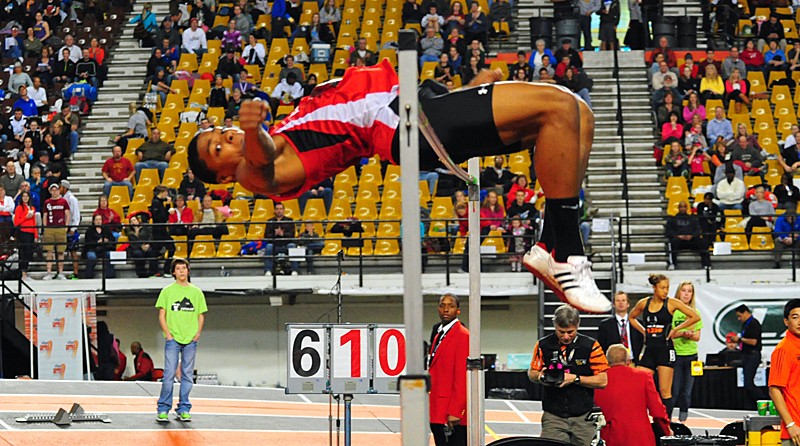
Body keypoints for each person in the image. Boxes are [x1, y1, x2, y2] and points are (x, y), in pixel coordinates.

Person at [187, 59, 610, 313]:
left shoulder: (287, 127)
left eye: (220, 132)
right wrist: (253, 129)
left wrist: (467, 90)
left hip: (413, 106)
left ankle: (548, 246)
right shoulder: (258, 168)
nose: (225, 139)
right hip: (399, 125)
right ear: (224, 175)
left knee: (576, 111)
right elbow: (260, 163)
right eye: (217, 149)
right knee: (558, 107)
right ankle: (569, 253)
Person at [528, 304, 609, 446]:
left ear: (578, 325)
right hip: (553, 416)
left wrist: (575, 379)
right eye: (561, 332)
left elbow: (603, 381)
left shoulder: (591, 346)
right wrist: (541, 377)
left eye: (570, 332)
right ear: (554, 326)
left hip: (583, 416)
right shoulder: (543, 345)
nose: (566, 336)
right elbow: (532, 372)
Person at [629, 274, 701, 420]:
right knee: (638, 384)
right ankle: (639, 417)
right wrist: (644, 331)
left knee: (665, 391)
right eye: (662, 288)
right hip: (649, 349)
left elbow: (694, 316)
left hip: (665, 350)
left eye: (667, 288)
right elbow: (631, 317)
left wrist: (675, 330)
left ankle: (665, 423)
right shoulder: (644, 303)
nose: (666, 291)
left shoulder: (672, 303)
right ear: (654, 288)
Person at [156, 258, 207, 422]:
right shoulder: (167, 291)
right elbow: (161, 315)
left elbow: (201, 315)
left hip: (190, 339)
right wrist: (168, 335)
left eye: (184, 268)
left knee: (187, 375)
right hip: (173, 339)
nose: (181, 271)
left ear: (188, 271)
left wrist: (197, 333)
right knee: (169, 374)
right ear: (173, 272)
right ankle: (163, 408)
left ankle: (184, 408)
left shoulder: (196, 292)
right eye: (178, 269)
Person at [595, 344, 671, 445]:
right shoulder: (643, 377)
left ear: (607, 361)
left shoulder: (597, 381)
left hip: (609, 438)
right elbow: (657, 411)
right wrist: (667, 431)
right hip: (639, 437)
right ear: (628, 361)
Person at [428, 293, 469, 446]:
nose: (446, 309)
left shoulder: (462, 335)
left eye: (451, 306)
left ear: (458, 310)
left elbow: (462, 376)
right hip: (437, 408)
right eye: (442, 305)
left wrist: (455, 411)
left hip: (450, 412)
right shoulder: (439, 333)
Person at [768, 298, 800, 446]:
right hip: (796, 431)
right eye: (795, 317)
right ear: (786, 321)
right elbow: (774, 390)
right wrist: (790, 424)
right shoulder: (783, 350)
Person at [670, 281, 702, 423]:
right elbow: (669, 334)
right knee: (674, 390)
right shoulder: (673, 311)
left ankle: (683, 419)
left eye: (689, 291)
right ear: (679, 292)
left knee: (686, 392)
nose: (686, 294)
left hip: (692, 356)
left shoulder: (695, 313)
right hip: (676, 354)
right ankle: (668, 417)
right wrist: (683, 332)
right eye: (684, 290)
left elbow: (697, 337)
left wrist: (688, 334)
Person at [730, 304, 767, 405]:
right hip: (746, 355)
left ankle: (764, 402)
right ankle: (753, 404)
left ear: (745, 312)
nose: (738, 318)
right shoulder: (746, 324)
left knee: (749, 384)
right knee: (747, 383)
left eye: (739, 316)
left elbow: (753, 342)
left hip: (753, 355)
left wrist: (740, 339)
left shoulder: (754, 324)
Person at [597, 291, 644, 364]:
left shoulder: (638, 324)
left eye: (623, 300)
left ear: (628, 304)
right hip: (614, 365)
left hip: (634, 363)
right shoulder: (605, 325)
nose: (621, 303)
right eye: (618, 301)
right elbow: (602, 346)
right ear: (613, 304)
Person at [41, 182, 70, 280]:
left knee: (61, 251)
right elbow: (44, 215)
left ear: (58, 191)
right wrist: (45, 227)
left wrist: (66, 226)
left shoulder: (63, 201)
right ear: (50, 191)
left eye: (56, 190)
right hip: (50, 228)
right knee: (49, 251)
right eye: (52, 190)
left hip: (60, 228)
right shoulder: (47, 202)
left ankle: (60, 272)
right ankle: (49, 272)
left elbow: (67, 214)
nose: (54, 192)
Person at [263, 201, 298, 275]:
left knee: (292, 246)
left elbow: (292, 234)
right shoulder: (270, 221)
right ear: (274, 210)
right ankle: (268, 270)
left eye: (281, 209)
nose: (279, 210)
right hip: (274, 244)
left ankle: (294, 270)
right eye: (277, 209)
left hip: (286, 244)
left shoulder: (289, 221)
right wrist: (275, 234)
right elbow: (266, 235)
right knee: (269, 247)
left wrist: (283, 234)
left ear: (283, 210)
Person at [83, 214, 116, 279]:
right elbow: (88, 242)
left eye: (100, 219)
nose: (98, 221)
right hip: (92, 249)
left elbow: (112, 239)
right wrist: (98, 242)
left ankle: (110, 275)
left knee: (109, 255)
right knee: (91, 257)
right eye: (97, 220)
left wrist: (107, 240)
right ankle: (89, 276)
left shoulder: (106, 229)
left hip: (105, 248)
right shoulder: (89, 230)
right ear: (93, 221)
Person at [13, 190, 37, 280]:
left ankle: (25, 272)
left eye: (27, 196)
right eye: (24, 196)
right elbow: (16, 222)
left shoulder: (32, 208)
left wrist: (36, 235)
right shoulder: (19, 208)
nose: (25, 198)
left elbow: (34, 222)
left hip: (31, 233)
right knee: (23, 253)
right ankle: (23, 274)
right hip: (23, 232)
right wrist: (26, 217)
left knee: (28, 253)